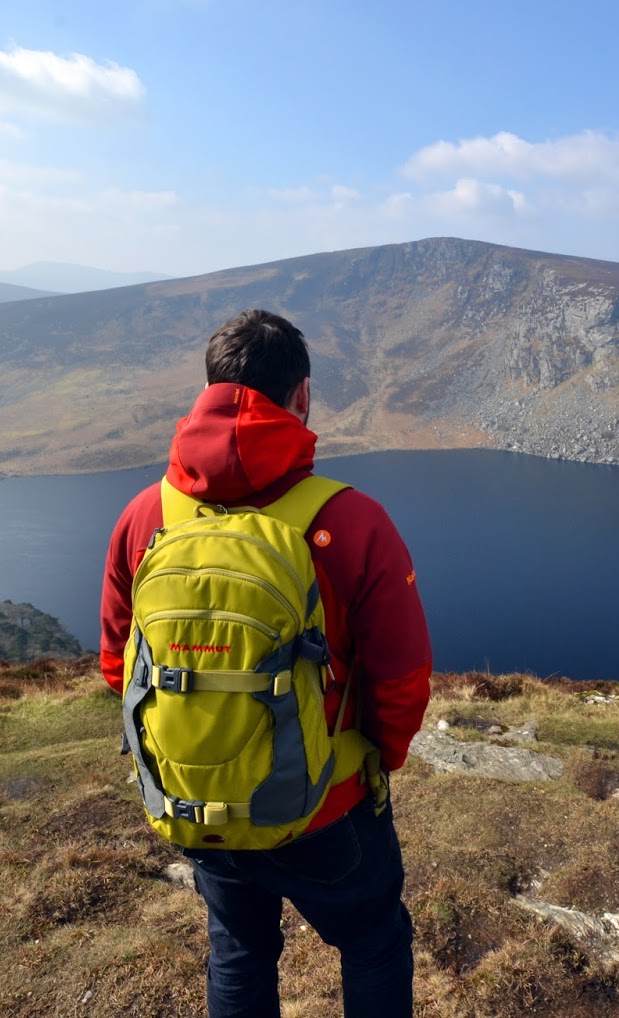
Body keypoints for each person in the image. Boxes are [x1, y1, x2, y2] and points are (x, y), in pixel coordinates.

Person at [99, 309, 432, 1017]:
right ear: (302, 395)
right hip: (328, 804)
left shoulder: (144, 516)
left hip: (198, 798)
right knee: (373, 943)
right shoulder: (352, 521)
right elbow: (401, 678)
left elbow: (116, 663)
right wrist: (376, 761)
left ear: (210, 391)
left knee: (240, 951)